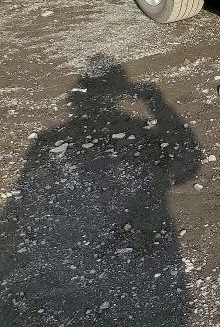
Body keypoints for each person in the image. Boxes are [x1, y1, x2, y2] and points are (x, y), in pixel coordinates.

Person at [0, 55, 200, 326]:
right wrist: (156, 102)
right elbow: (187, 166)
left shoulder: (49, 141)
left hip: (69, 262)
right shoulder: (134, 132)